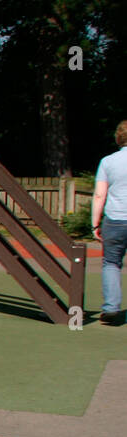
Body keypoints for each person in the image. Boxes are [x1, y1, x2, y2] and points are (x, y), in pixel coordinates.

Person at [92, 119, 127, 326]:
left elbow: (99, 195)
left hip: (115, 220)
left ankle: (111, 307)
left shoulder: (108, 161)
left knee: (111, 263)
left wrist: (95, 224)